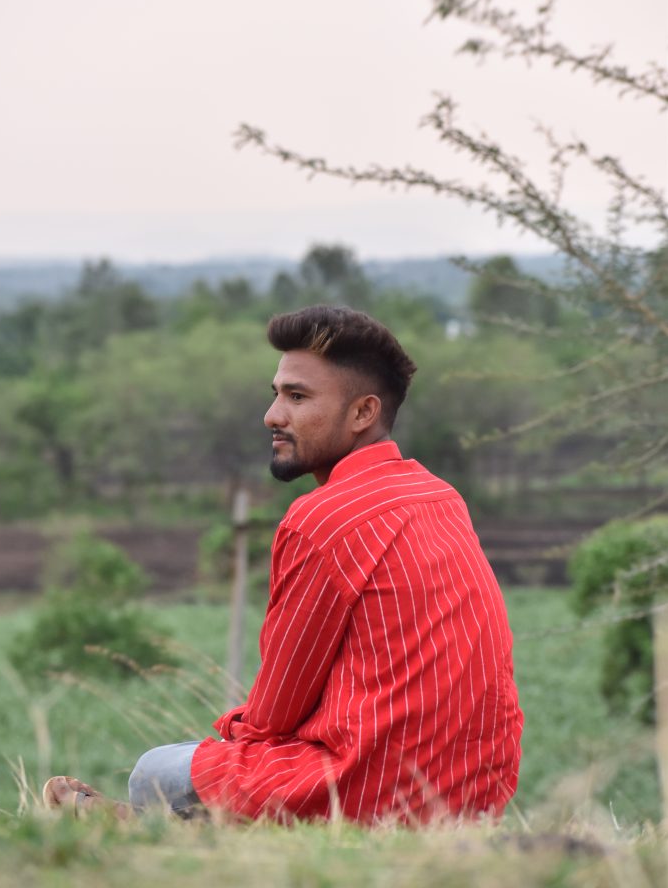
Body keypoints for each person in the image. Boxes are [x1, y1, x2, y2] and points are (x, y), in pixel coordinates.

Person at [44, 305, 523, 824]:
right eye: (276, 394)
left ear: (363, 413)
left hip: (373, 790)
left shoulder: (324, 518)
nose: (272, 415)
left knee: (155, 770)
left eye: (297, 397)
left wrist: (229, 739)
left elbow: (274, 716)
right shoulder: (439, 496)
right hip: (474, 793)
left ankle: (134, 826)